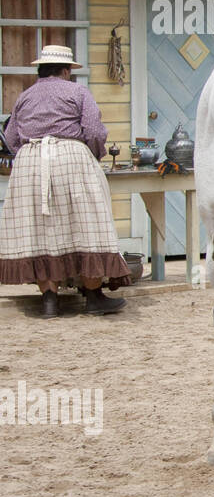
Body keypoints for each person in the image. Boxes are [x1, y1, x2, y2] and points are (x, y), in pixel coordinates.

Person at [0, 44, 129, 317]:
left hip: (31, 160)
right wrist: (92, 156)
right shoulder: (78, 92)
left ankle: (49, 300)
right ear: (67, 70)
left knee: (40, 228)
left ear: (41, 70)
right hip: (70, 155)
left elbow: (11, 141)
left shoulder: (24, 97)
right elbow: (93, 130)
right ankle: (93, 296)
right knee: (86, 223)